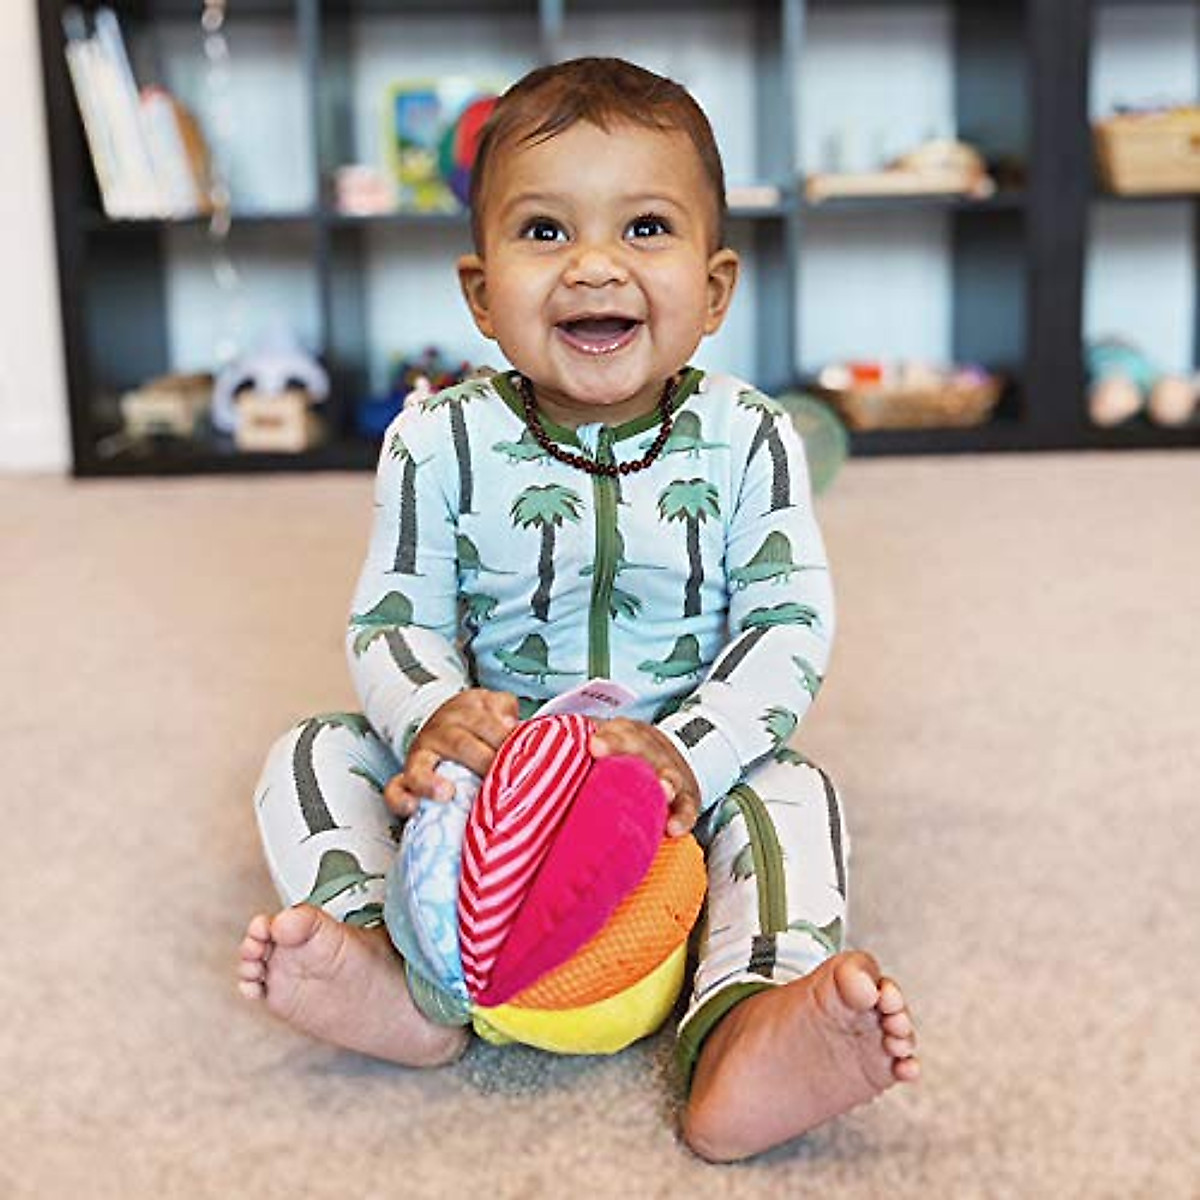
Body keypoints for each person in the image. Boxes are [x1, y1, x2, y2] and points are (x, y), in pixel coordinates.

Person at [237, 56, 918, 1162]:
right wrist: (432, 717)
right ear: (479, 291)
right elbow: (391, 617)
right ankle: (389, 964)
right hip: (483, 795)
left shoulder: (751, 439)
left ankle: (746, 1022)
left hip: (672, 798)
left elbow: (787, 625)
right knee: (307, 755)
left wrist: (691, 755)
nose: (594, 266)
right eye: (545, 233)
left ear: (714, 288)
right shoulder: (437, 438)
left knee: (794, 794)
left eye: (645, 229)